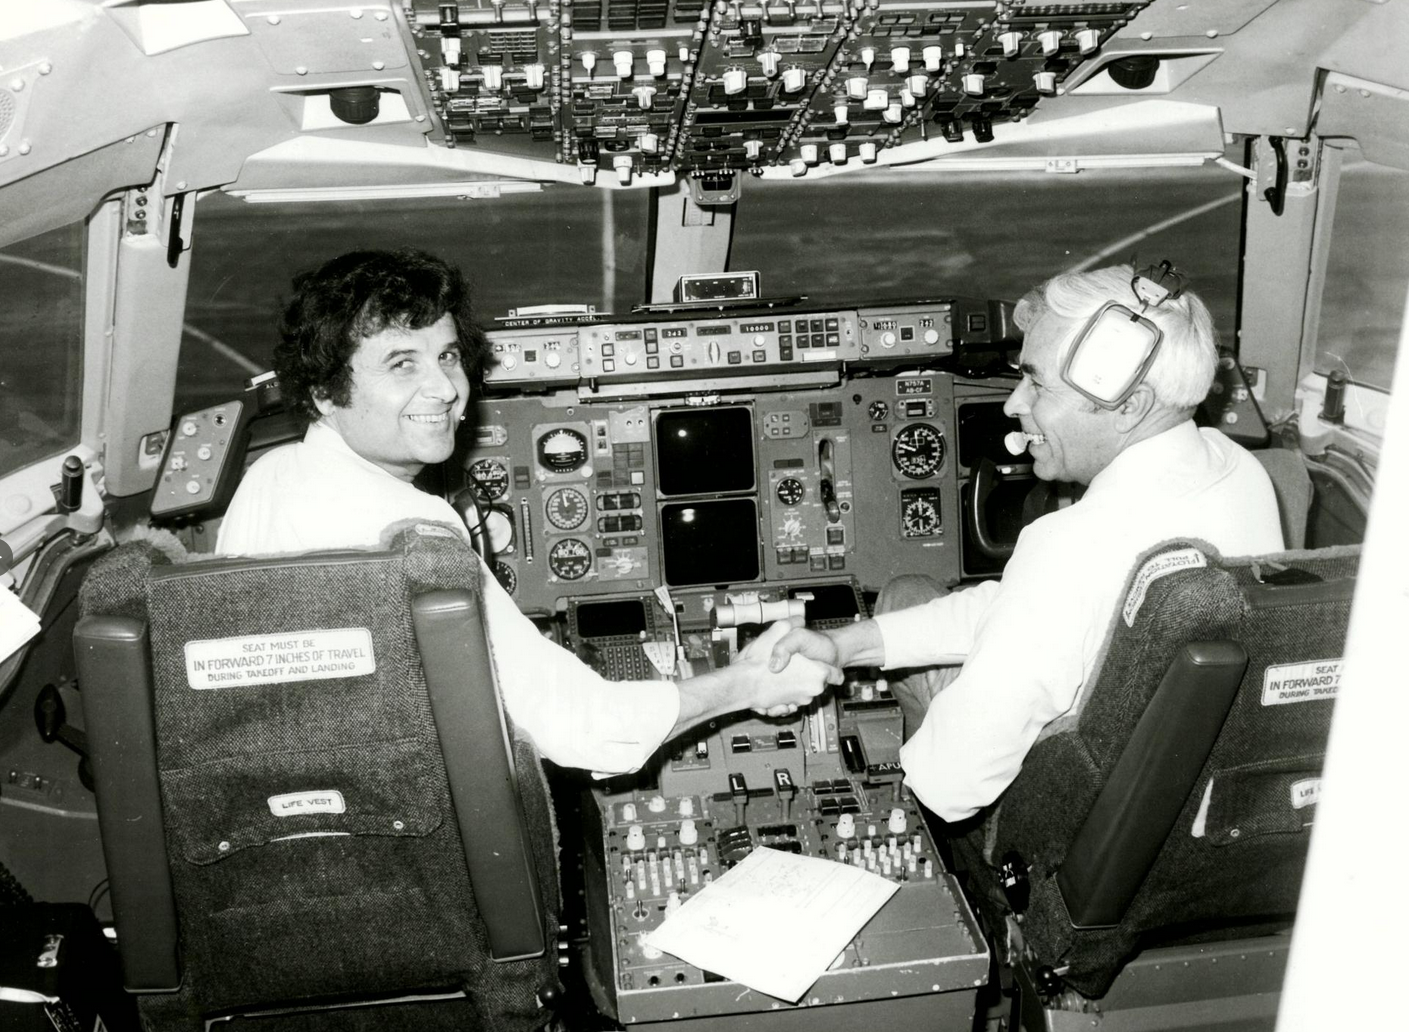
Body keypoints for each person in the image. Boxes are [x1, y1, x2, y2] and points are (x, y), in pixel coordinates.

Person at [216, 248, 836, 774]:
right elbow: (587, 728)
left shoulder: (267, 477)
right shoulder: (410, 532)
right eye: (402, 364)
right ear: (325, 392)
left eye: (448, 356)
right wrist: (747, 682)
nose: (445, 388)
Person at [767, 264, 1284, 822]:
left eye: (1037, 384)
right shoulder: (1239, 469)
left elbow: (949, 784)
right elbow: (1044, 606)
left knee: (904, 593)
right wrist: (846, 646)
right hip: (1201, 803)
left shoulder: (1070, 546)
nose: (1014, 403)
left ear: (1129, 405)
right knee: (918, 608)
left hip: (1066, 817)